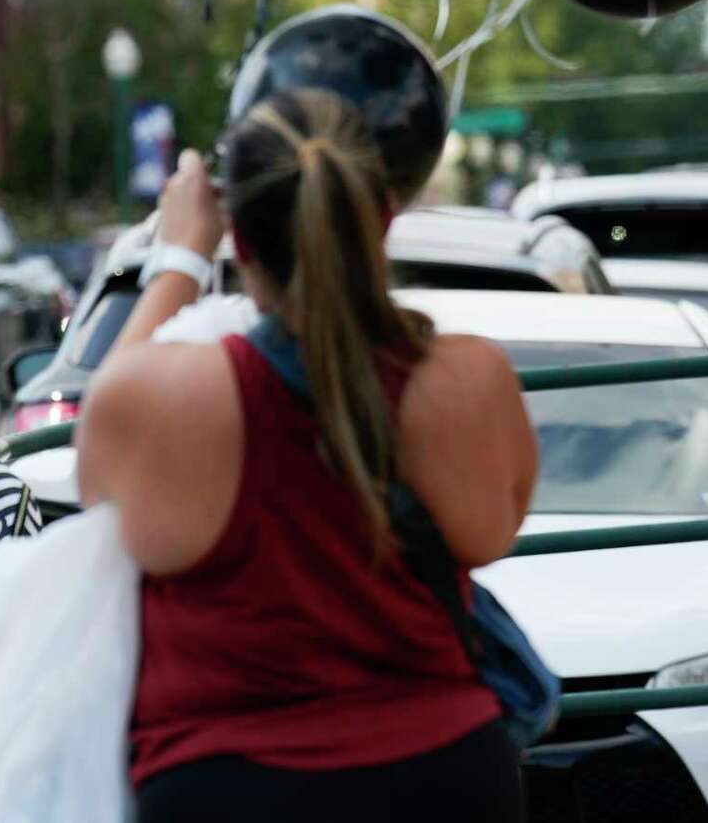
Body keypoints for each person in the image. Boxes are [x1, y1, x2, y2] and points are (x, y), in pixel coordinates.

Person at [77, 90, 538, 823]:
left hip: (228, 787)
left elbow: (99, 459)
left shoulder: (167, 397)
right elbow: (493, 533)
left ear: (240, 240)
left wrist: (179, 259)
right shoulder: (470, 377)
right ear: (383, 216)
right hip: (444, 774)